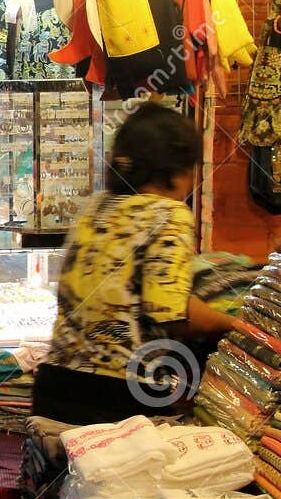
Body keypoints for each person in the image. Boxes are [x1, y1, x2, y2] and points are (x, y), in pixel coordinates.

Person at [32, 103, 244, 426]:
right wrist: (236, 326)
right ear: (177, 172)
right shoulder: (169, 215)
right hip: (118, 397)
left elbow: (131, 292)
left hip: (53, 386)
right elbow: (173, 315)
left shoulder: (95, 208)